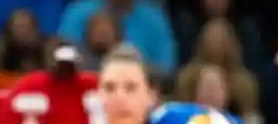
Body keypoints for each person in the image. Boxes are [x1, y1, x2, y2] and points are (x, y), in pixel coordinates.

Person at [95, 44, 238, 124]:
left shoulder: (179, 119)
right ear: (98, 94)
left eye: (131, 88)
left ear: (151, 95)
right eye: (110, 88)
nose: (119, 97)